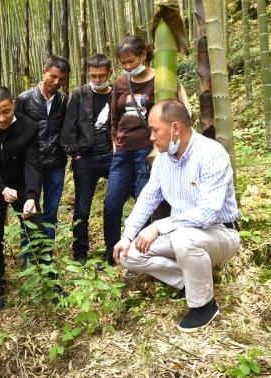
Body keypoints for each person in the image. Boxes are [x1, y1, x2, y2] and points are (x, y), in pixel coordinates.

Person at [113, 99, 241, 332]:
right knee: (128, 255)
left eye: (154, 130)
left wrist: (158, 227)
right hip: (182, 232)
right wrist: (127, 235)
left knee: (184, 239)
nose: (151, 137)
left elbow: (208, 212)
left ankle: (204, 305)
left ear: (175, 128)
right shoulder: (163, 158)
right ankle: (186, 283)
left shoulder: (211, 154)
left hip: (220, 233)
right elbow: (148, 198)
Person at [0, 86, 43, 310]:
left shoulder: (29, 126)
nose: (2, 118)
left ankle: (46, 277)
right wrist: (1, 187)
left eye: (7, 111)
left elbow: (32, 164)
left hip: (22, 184)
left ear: (13, 104)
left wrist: (31, 195)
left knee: (35, 228)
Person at [103, 35, 155, 266]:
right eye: (123, 63)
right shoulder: (121, 83)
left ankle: (137, 257)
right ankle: (111, 253)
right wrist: (115, 141)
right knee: (112, 203)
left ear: (143, 55)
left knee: (142, 205)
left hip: (147, 151)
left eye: (131, 61)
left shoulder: (160, 80)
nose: (127, 67)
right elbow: (115, 117)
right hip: (122, 152)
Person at [61, 53, 114, 265]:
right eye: (93, 76)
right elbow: (68, 127)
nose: (98, 80)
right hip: (86, 159)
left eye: (102, 76)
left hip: (112, 158)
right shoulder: (79, 94)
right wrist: (76, 154)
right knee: (82, 208)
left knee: (113, 205)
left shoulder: (118, 93)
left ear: (110, 73)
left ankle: (113, 250)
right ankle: (80, 253)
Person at [15, 55, 69, 242]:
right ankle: (29, 257)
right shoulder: (24, 99)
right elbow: (16, 131)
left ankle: (48, 257)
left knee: (51, 211)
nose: (57, 82)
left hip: (56, 163)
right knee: (29, 211)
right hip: (31, 165)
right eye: (53, 76)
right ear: (43, 71)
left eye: (62, 79)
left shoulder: (64, 101)